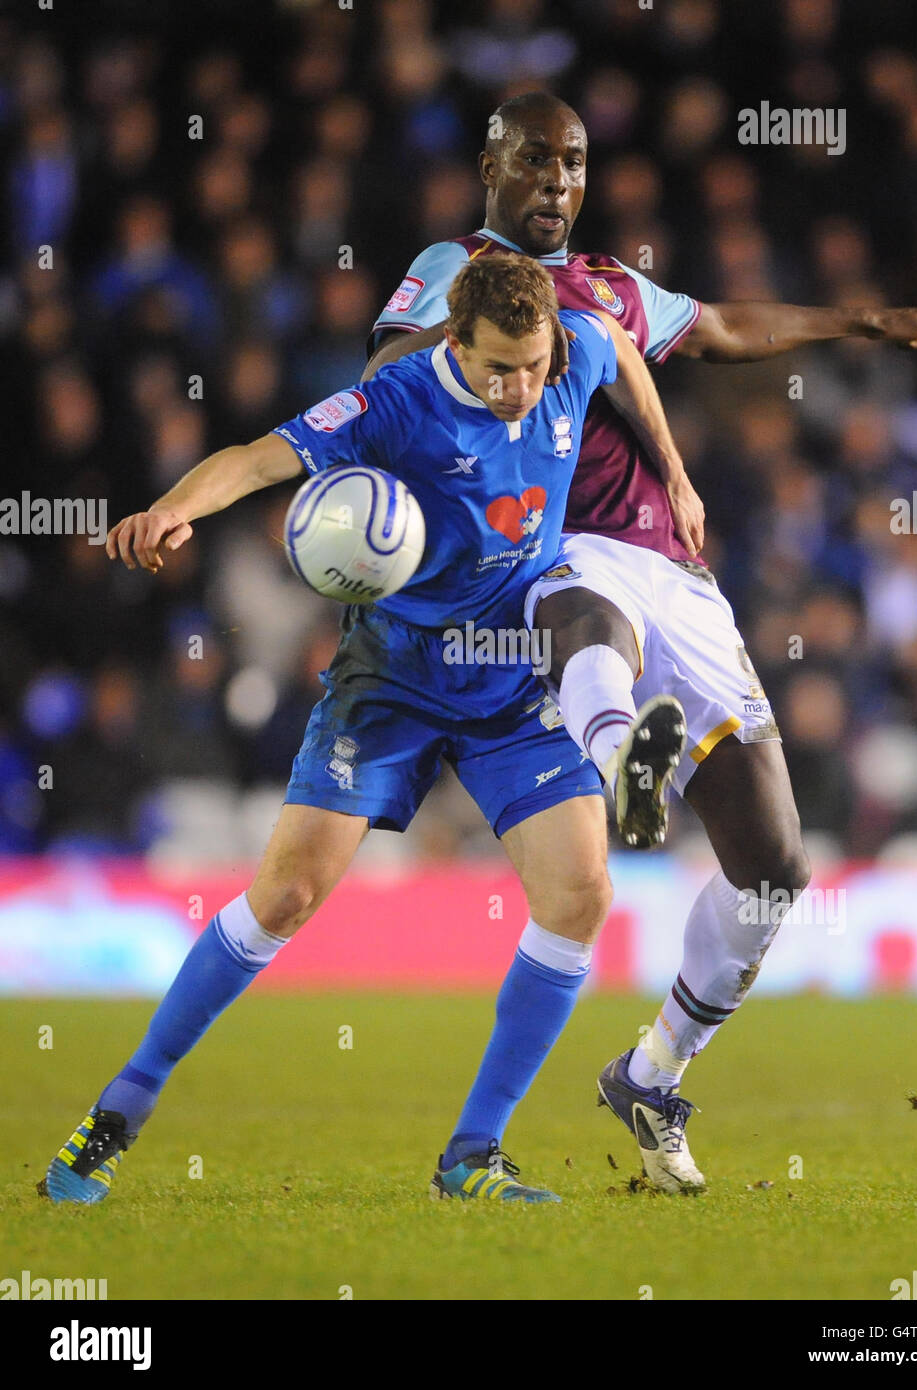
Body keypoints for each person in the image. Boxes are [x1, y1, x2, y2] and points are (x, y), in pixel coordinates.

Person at [365, 91, 917, 1193]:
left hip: (682, 578)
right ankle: (617, 756)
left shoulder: (612, 286)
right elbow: (387, 367)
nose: (556, 178)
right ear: (492, 165)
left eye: (575, 161)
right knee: (589, 616)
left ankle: (652, 1071)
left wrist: (860, 323)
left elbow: (728, 329)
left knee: (777, 865)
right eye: (536, 159)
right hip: (557, 543)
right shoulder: (456, 270)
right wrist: (488, 341)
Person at [40, 253, 687, 1206]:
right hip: (393, 676)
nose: (519, 388)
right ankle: (118, 1111)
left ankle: (472, 1155)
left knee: (579, 893)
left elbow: (621, 351)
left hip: (512, 675)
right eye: (498, 366)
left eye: (532, 364)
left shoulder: (572, 350)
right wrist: (177, 504)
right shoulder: (393, 402)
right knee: (288, 894)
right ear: (453, 341)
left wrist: (669, 468)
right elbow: (261, 457)